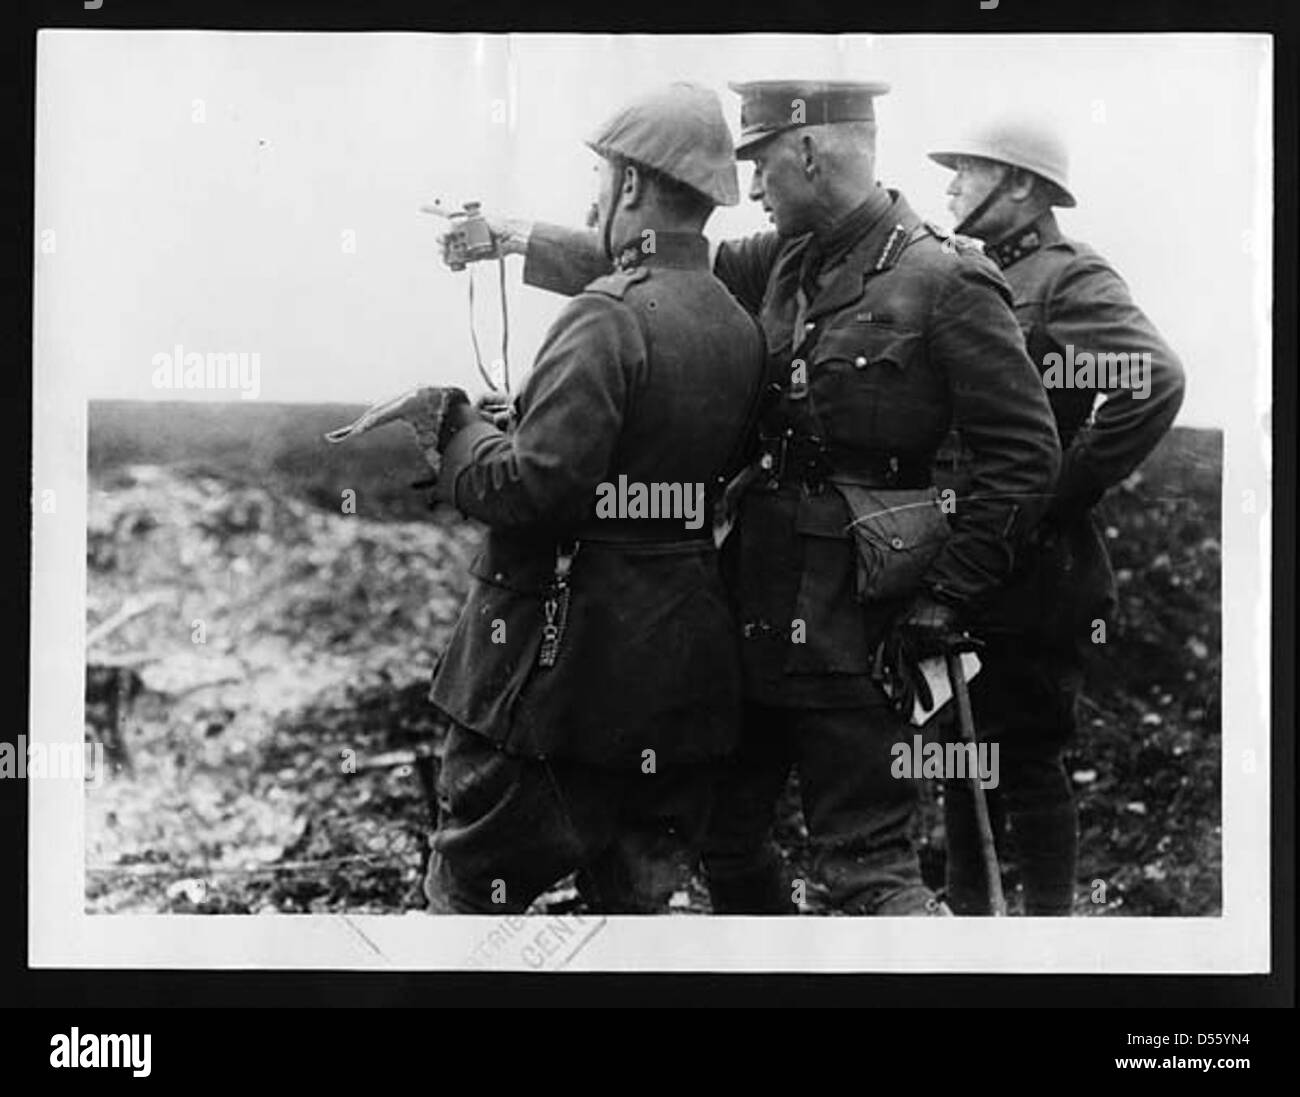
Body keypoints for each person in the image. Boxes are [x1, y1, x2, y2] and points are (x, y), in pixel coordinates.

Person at [486, 80, 1063, 915]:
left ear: (807, 150)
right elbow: (653, 260)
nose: (747, 187)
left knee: (866, 863)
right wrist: (509, 238)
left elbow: (1025, 455)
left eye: (758, 165)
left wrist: (948, 594)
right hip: (750, 606)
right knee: (725, 837)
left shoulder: (945, 280)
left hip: (862, 627)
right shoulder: (786, 258)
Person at [413, 83, 765, 914]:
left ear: (635, 188)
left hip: (561, 682)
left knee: (467, 895)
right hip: (681, 683)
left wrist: (453, 430)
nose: (595, 197)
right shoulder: (739, 325)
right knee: (636, 918)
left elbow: (535, 488)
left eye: (604, 180)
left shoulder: (603, 318)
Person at [929, 116, 1185, 914]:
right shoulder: (967, 272)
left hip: (1037, 573)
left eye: (967, 170)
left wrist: (1053, 493)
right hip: (967, 558)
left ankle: (1050, 945)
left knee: (1028, 763)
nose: (950, 184)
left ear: (1022, 186)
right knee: (962, 764)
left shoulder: (1069, 278)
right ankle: (977, 943)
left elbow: (1156, 378)